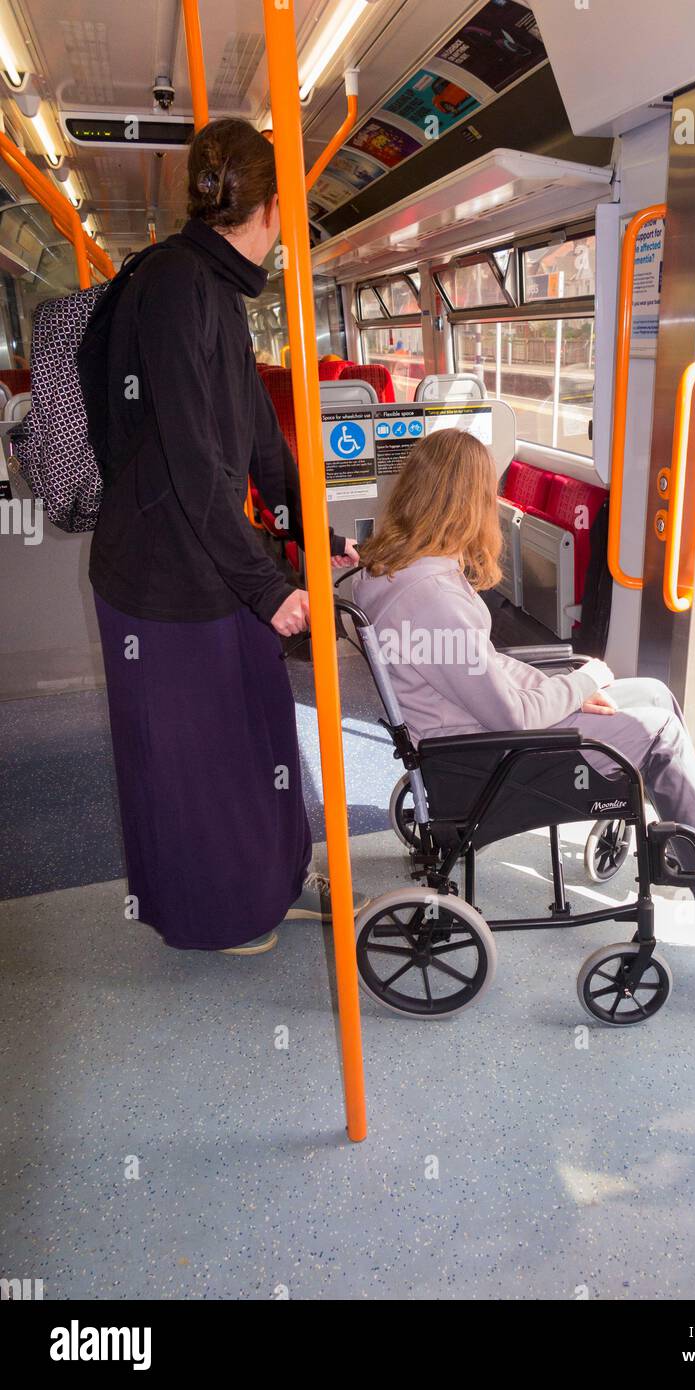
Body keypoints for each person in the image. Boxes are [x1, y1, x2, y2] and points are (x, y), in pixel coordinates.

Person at [352, 430, 695, 948]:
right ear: (465, 503)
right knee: (659, 727)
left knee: (652, 694)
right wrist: (581, 682)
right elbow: (508, 713)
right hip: (491, 759)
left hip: (467, 742)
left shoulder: (391, 573)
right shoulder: (433, 599)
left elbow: (482, 672)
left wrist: (566, 688)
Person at [80, 117, 360, 956]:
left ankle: (269, 879)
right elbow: (197, 461)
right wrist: (269, 586)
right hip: (162, 576)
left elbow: (254, 442)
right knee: (197, 756)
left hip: (209, 556)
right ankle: (217, 914)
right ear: (272, 207)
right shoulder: (175, 288)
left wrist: (311, 533)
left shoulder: (212, 287)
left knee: (259, 727)